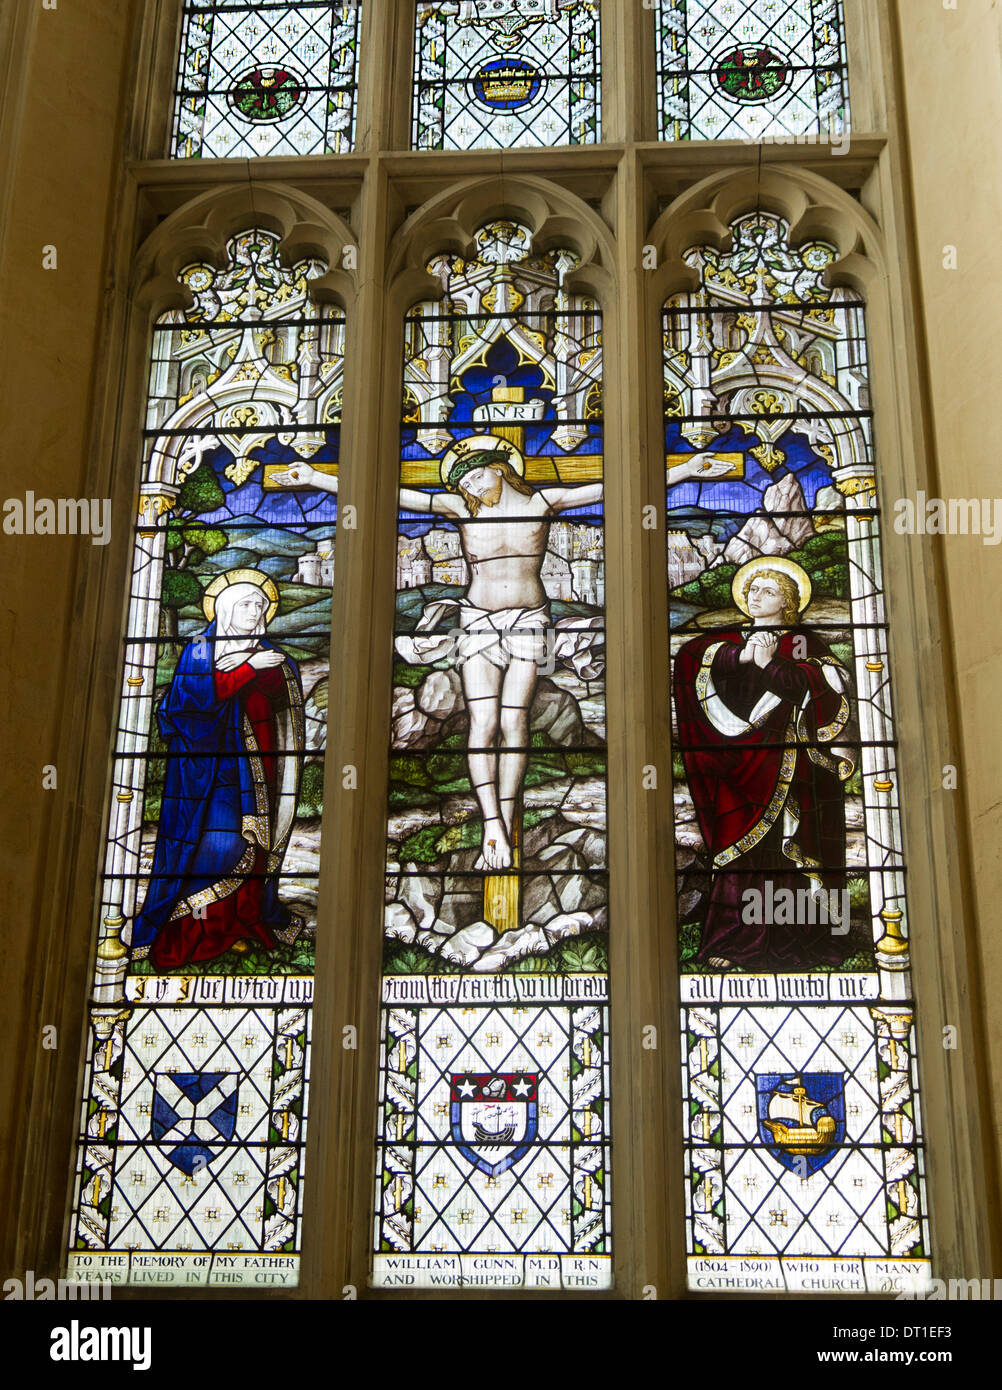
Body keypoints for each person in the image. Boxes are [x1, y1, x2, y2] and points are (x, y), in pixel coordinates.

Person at [273, 436, 607, 871]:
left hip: (530, 622)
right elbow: (390, 493)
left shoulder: (543, 501)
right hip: (476, 622)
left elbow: (609, 487)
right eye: (462, 478)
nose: (470, 482)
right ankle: (492, 825)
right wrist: (319, 477)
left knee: (513, 720)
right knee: (484, 722)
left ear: (501, 468)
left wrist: (687, 470)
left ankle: (506, 816)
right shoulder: (462, 509)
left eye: (475, 473)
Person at [673, 558, 856, 971]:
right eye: (753, 590)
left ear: (788, 602)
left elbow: (819, 688)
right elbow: (690, 659)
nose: (757, 597)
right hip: (737, 768)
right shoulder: (722, 642)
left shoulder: (803, 644)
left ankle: (802, 943)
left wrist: (768, 664)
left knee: (788, 852)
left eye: (768, 591)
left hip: (792, 767)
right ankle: (733, 940)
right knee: (741, 855)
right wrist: (742, 658)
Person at [131, 569, 305, 969]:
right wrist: (248, 667)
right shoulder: (198, 651)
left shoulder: (271, 653)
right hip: (209, 772)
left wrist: (267, 670)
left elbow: (281, 699)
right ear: (225, 608)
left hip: (259, 767)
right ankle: (194, 932)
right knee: (219, 845)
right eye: (246, 603)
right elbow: (191, 706)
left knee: (254, 847)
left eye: (260, 605)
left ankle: (241, 923)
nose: (255, 610)